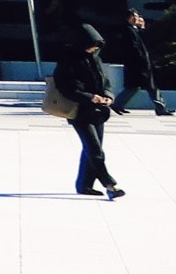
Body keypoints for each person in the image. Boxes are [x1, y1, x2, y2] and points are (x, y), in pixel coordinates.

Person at [52, 24, 124, 199]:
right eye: (92, 44)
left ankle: (85, 185)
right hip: (79, 111)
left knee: (92, 149)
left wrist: (108, 96)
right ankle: (110, 185)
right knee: (95, 150)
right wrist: (90, 97)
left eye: (98, 45)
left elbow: (105, 82)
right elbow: (66, 87)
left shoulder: (95, 59)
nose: (95, 48)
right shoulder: (68, 60)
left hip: (98, 111)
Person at [115, 10, 175, 116]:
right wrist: (142, 60)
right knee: (148, 87)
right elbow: (135, 47)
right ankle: (161, 109)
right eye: (135, 16)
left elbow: (143, 42)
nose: (138, 18)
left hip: (139, 64)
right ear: (129, 17)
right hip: (138, 64)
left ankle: (118, 105)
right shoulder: (127, 30)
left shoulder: (133, 30)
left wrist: (142, 28)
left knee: (135, 87)